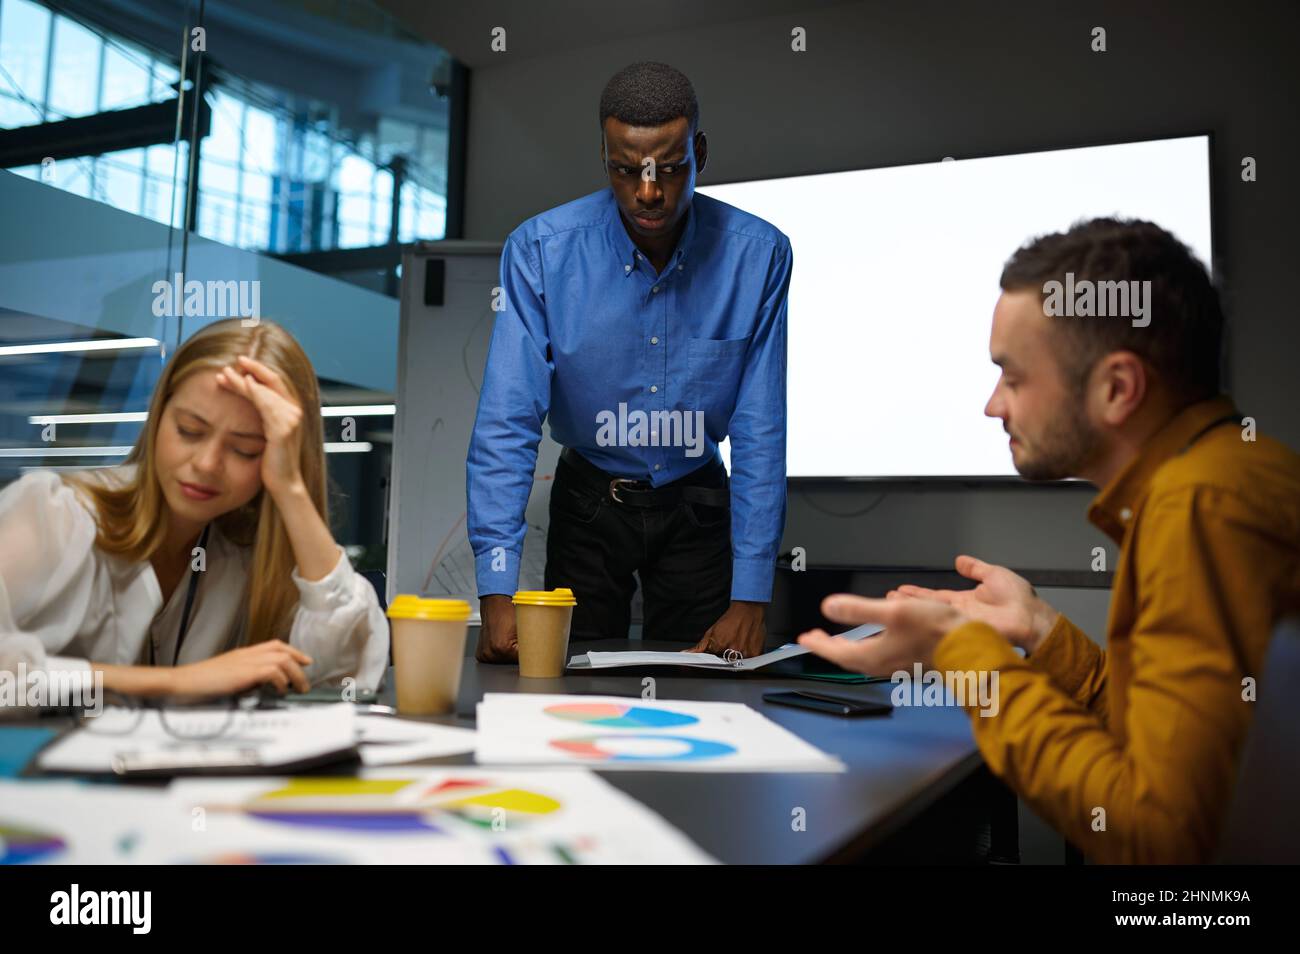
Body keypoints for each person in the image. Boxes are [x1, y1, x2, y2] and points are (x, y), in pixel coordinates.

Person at [798, 218, 1300, 863]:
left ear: (1117, 389)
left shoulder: (1200, 508)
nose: (992, 406)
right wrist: (1044, 633)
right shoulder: (1227, 475)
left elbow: (1161, 845)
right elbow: (1173, 755)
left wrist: (964, 653)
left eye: (1012, 376)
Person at [467, 62, 791, 662]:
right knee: (565, 689)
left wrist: (752, 598)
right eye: (625, 170)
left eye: (670, 169)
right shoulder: (539, 252)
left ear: (700, 153)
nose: (647, 192)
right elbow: (507, 421)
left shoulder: (760, 256)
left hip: (698, 506)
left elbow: (760, 429)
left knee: (705, 694)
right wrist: (495, 590)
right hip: (588, 504)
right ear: (604, 157)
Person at [0, 318, 389, 698]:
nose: (206, 463)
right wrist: (183, 682)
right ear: (158, 417)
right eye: (189, 430)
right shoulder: (55, 515)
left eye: (245, 448)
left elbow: (345, 680)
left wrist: (291, 489)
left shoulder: (244, 558)